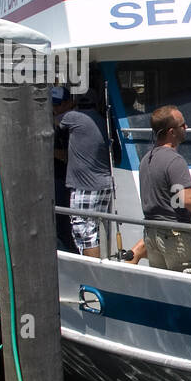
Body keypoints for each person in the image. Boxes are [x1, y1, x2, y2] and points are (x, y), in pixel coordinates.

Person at [138, 105, 191, 271]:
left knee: (165, 283)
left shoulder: (146, 160)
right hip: (176, 237)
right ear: (172, 132)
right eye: (182, 125)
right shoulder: (175, 160)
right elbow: (188, 199)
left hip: (152, 234)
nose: (186, 127)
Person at [53, 87, 114, 258]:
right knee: (96, 231)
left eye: (58, 105)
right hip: (101, 183)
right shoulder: (100, 119)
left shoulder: (73, 117)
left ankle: (91, 273)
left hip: (86, 186)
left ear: (72, 102)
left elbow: (49, 120)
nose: (54, 109)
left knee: (85, 233)